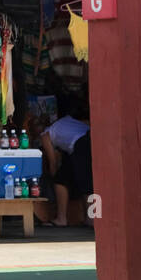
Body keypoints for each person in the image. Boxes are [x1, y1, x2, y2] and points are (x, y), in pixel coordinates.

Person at [41, 94, 92, 227]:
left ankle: (86, 219)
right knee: (64, 179)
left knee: (86, 184)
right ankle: (89, 218)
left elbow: (52, 163)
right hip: (88, 141)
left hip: (81, 145)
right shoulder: (68, 121)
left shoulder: (46, 134)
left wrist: (51, 173)